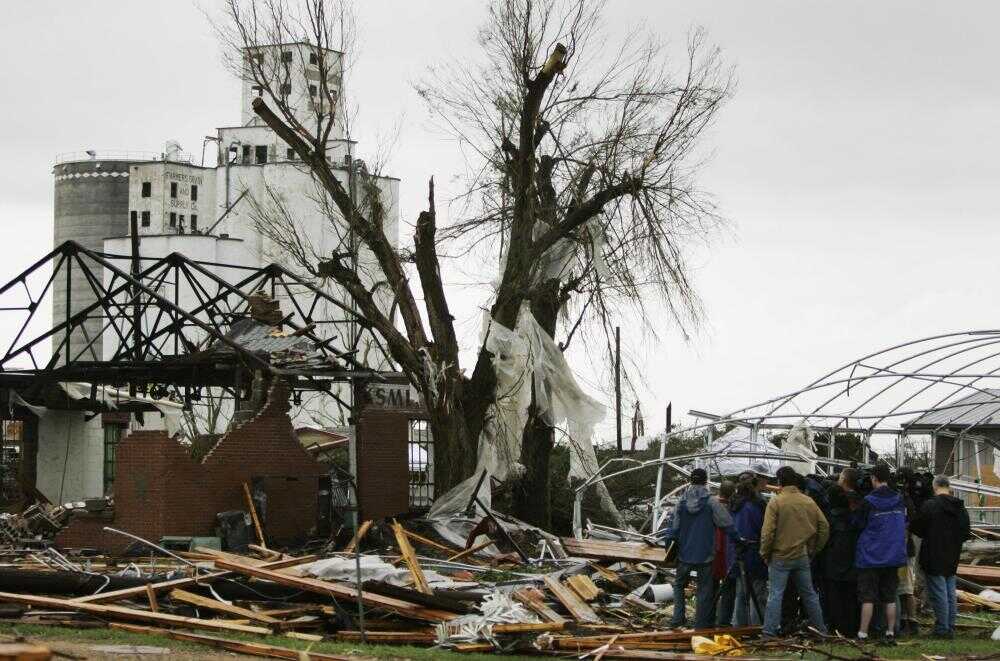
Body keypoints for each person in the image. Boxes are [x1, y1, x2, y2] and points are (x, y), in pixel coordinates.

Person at [759, 466, 829, 637]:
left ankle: (768, 634)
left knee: (775, 595)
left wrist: (765, 553)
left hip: (780, 556)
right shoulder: (808, 501)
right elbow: (824, 527)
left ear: (779, 482)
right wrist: (814, 549)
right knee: (810, 595)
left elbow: (767, 532)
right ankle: (821, 630)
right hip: (802, 556)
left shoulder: (775, 502)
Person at [663, 468, 736, 630]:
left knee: (679, 586)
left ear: (690, 481)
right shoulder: (711, 502)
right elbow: (727, 524)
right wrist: (738, 539)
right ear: (705, 481)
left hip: (683, 554)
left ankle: (677, 619)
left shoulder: (681, 502)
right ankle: (701, 624)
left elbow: (672, 529)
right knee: (704, 591)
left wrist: (669, 550)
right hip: (706, 555)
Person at [910, 475, 971, 639]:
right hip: (952, 554)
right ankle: (950, 625)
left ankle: (942, 628)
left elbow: (917, 527)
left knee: (939, 593)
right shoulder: (960, 507)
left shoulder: (930, 506)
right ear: (949, 486)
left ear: (934, 486)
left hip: (933, 554)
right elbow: (966, 532)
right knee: (950, 591)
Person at [855, 464, 908, 643]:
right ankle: (890, 632)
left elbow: (858, 524)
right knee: (889, 596)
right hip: (893, 555)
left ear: (874, 478)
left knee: (867, 597)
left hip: (871, 556)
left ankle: (863, 633)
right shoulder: (900, 499)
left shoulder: (868, 501)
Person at [822, 468, 862, 637]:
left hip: (834, 559)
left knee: (835, 594)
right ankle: (852, 626)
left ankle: (836, 626)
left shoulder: (830, 516)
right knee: (851, 594)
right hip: (853, 558)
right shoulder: (857, 510)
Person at [727, 472, 768, 626]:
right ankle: (757, 627)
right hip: (754, 551)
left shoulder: (733, 505)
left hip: (736, 552)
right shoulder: (756, 505)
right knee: (758, 593)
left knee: (741, 592)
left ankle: (739, 626)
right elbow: (763, 529)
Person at [712, 480, 737, 627]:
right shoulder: (733, 508)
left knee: (710, 588)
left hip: (713, 552)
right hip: (728, 553)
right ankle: (724, 621)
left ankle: (707, 619)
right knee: (729, 589)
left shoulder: (711, 505)